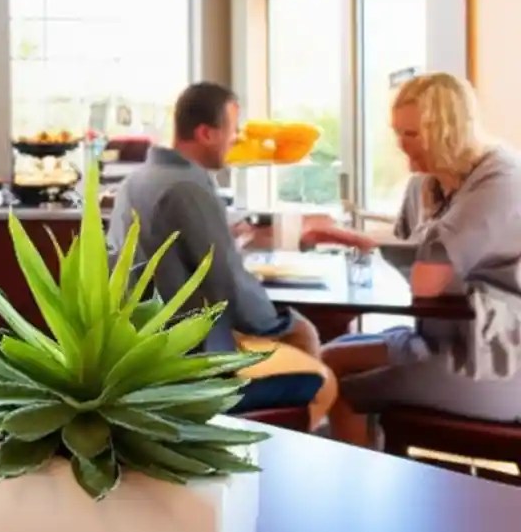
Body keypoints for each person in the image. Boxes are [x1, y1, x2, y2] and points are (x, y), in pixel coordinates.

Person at [304, 73, 521, 446]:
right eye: (397, 133)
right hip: (440, 337)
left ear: (447, 130)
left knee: (345, 390)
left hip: (495, 357)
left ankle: (363, 493)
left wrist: (356, 239)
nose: (401, 146)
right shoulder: (428, 184)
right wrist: (340, 235)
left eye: (412, 134)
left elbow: (424, 281)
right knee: (324, 361)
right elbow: (399, 261)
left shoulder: (501, 179)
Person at [108, 82, 336, 426]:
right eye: (232, 131)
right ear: (206, 133)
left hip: (139, 355)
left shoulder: (137, 181)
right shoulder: (189, 187)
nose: (235, 140)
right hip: (193, 368)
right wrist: (284, 322)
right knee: (321, 373)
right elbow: (228, 286)